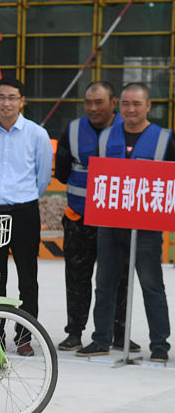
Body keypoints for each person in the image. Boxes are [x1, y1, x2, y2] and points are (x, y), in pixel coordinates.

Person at [77, 82, 173, 363]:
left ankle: (159, 345)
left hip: (146, 227)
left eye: (137, 104)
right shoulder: (106, 137)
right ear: (120, 105)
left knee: (151, 285)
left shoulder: (165, 139)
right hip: (110, 224)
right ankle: (101, 339)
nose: (130, 109)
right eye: (126, 104)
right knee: (104, 282)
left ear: (148, 106)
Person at [0, 77, 54, 356]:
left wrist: (22, 196)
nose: (6, 103)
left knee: (27, 277)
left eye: (12, 97)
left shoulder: (37, 134)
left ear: (22, 101)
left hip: (24, 212)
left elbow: (42, 178)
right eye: (1, 97)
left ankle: (24, 337)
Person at [54, 81, 128, 351]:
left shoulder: (128, 129)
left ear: (113, 103)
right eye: (88, 102)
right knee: (77, 278)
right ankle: (75, 332)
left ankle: (118, 333)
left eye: (99, 102)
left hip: (116, 220)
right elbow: (61, 172)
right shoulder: (73, 131)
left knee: (118, 279)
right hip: (79, 220)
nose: (92, 108)